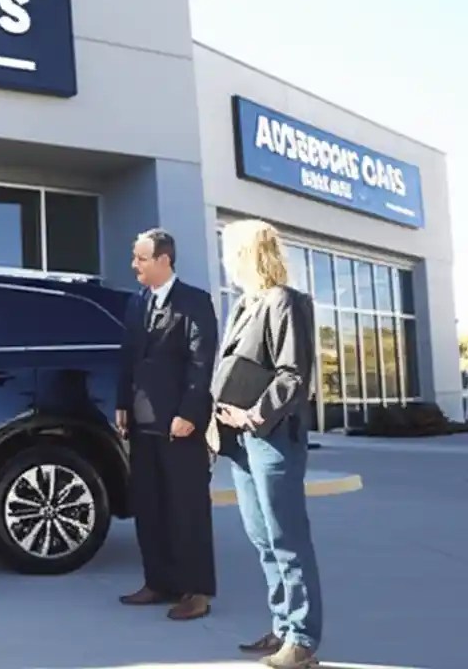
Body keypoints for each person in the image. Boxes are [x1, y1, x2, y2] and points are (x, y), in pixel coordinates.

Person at [211, 219, 322, 669]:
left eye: (228, 250)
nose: (223, 258)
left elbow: (293, 375)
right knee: (263, 539)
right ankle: (281, 628)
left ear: (247, 253)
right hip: (239, 440)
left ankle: (301, 639)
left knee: (287, 538)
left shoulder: (285, 302)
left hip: (271, 437)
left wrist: (253, 414)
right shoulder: (245, 304)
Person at [116, 228, 219, 621]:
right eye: (134, 257)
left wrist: (190, 413)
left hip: (180, 423)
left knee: (186, 508)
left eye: (141, 258)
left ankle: (196, 591)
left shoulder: (195, 302)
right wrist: (122, 403)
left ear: (164, 260)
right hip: (142, 422)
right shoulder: (135, 303)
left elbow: (200, 362)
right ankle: (158, 582)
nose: (134, 266)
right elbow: (127, 358)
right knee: (150, 505)